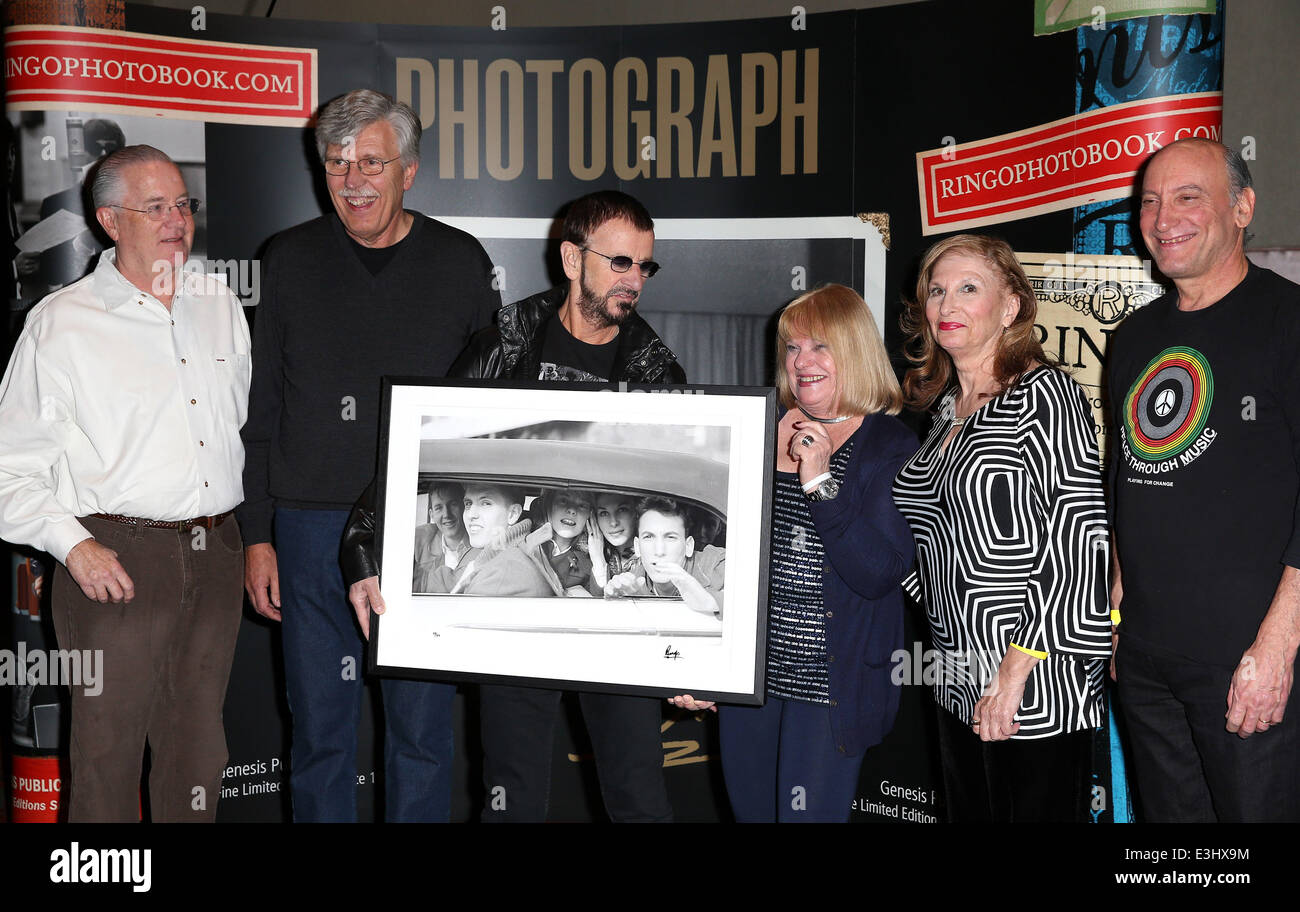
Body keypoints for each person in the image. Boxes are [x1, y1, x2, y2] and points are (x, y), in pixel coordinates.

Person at [344, 189, 683, 822]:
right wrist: (362, 546)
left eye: (645, 266)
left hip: (616, 616)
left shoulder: (655, 366)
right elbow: (423, 449)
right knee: (511, 791)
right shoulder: (504, 342)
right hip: (516, 607)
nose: (635, 281)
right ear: (572, 259)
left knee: (638, 791)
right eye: (620, 263)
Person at [237, 89, 500, 823]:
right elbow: (260, 411)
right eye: (336, 162)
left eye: (372, 162)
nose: (352, 180)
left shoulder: (459, 263)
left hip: (424, 533)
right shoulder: (285, 261)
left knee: (422, 735)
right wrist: (257, 535)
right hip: (307, 529)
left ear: (409, 170)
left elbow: (484, 414)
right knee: (318, 734)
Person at [0, 144, 248, 821]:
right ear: (111, 221)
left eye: (183, 205)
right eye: (156, 207)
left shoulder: (220, 300)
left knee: (199, 755)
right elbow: (8, 468)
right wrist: (73, 547)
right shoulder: (63, 323)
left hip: (217, 551)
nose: (177, 221)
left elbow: (234, 424)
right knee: (107, 764)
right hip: (116, 560)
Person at [1108, 138, 1300, 822]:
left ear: (1242, 207)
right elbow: (1127, 479)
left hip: (1248, 657)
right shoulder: (1131, 338)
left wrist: (1277, 647)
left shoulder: (1288, 319)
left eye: (1189, 196)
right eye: (1150, 202)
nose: (1164, 218)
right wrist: (1119, 615)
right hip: (1149, 658)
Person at [674, 284, 916, 822]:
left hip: (828, 691)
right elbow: (720, 562)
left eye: (820, 346)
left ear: (854, 350)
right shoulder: (757, 429)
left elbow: (879, 574)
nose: (801, 361)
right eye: (792, 347)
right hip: (752, 685)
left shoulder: (890, 446)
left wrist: (820, 482)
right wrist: (707, 663)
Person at [891, 234, 1112, 822]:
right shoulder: (947, 409)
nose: (947, 305)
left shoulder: (1045, 393)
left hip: (1034, 677)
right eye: (937, 290)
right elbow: (933, 542)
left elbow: (1079, 539)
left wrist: (1016, 670)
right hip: (957, 670)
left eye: (968, 288)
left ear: (1010, 308)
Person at [606, 496, 725, 617]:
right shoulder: (632, 581)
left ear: (688, 546)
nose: (659, 551)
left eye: (670, 537)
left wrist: (709, 601)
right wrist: (616, 604)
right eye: (648, 537)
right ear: (637, 547)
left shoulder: (716, 563)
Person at [413, 481, 469, 592]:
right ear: (431, 514)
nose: (447, 514)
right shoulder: (417, 539)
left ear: (464, 507)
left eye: (453, 504)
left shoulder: (479, 543)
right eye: (438, 508)